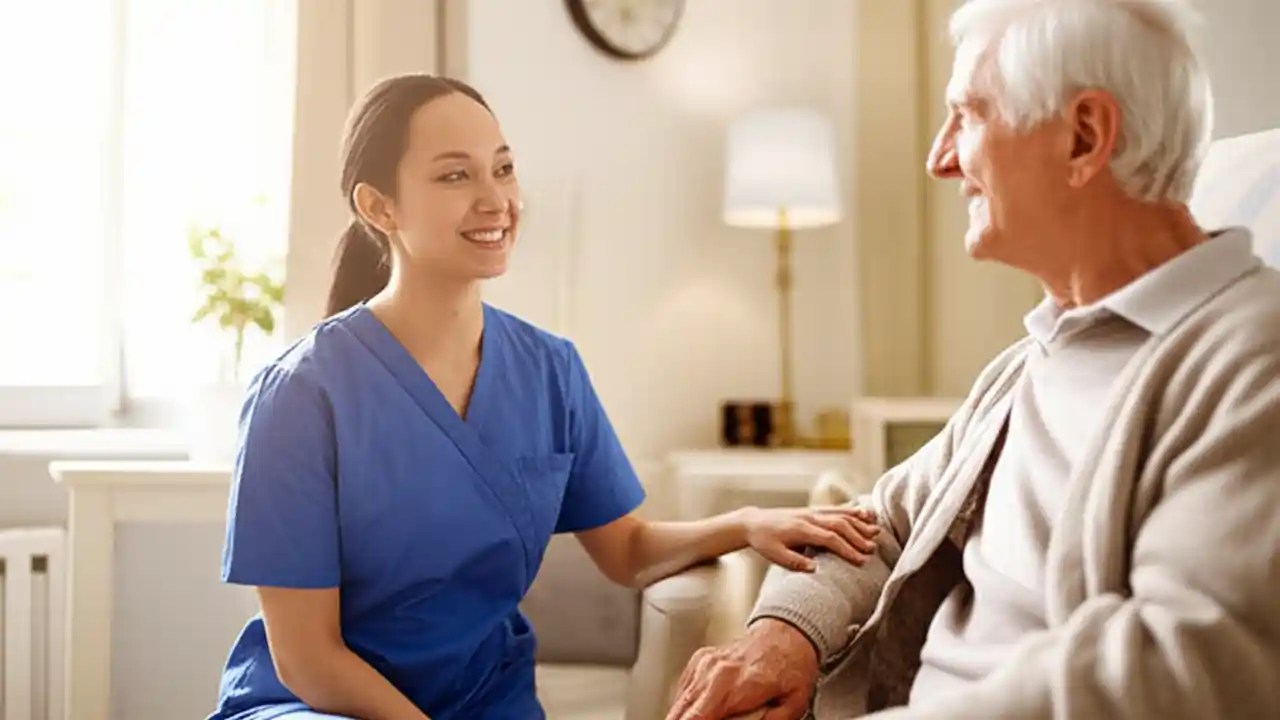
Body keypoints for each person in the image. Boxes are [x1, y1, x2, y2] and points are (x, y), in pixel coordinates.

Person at [667, 1, 1280, 718]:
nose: (941, 157)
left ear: (1084, 136)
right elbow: (873, 526)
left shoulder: (1248, 360)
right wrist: (782, 637)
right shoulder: (1034, 361)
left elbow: (1182, 667)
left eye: (969, 115)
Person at [206, 74, 882, 720]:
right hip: (320, 708)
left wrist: (744, 525)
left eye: (502, 168)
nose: (495, 198)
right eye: (454, 175)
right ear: (378, 206)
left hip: (486, 706)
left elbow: (626, 550)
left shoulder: (550, 371)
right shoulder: (300, 394)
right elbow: (306, 657)